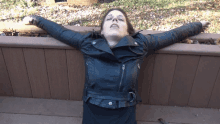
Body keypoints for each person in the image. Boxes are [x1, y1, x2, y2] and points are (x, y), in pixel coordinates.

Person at [23, 8, 210, 124]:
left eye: (120, 19)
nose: (114, 21)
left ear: (129, 30)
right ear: (102, 29)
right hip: (93, 110)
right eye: (109, 19)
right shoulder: (88, 43)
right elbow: (61, 31)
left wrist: (198, 25)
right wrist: (36, 20)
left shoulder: (141, 44)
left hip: (125, 111)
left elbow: (172, 35)